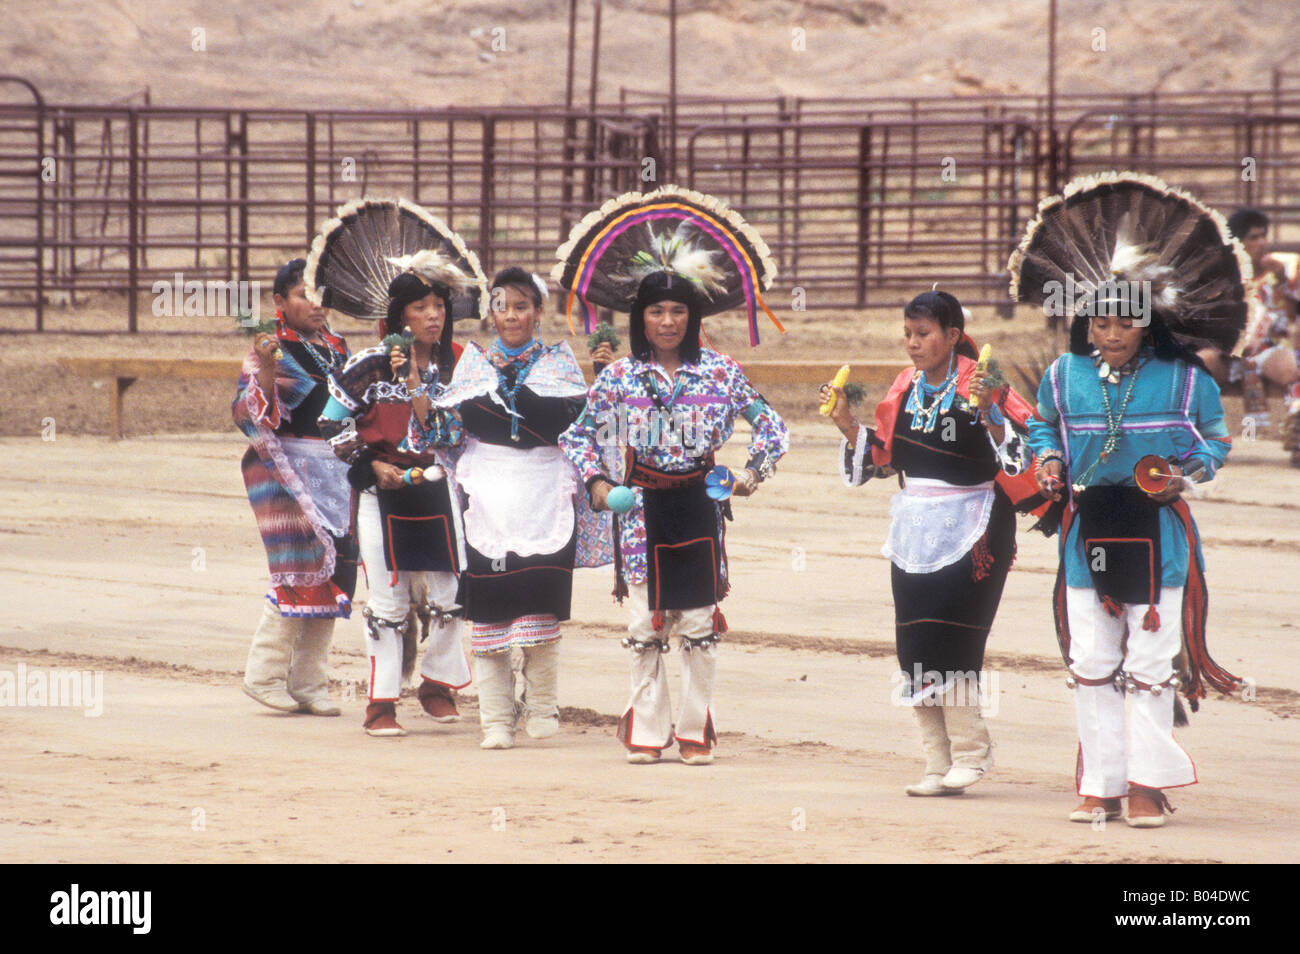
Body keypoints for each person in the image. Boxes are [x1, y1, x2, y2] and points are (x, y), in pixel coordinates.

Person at [1011, 172, 1246, 828]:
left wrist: (1185, 476)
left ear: (1146, 324)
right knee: (1090, 659)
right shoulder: (1065, 375)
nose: (1109, 332)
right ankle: (1101, 784)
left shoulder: (1182, 379)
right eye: (1099, 320)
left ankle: (1145, 783)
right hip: (1087, 531)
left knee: (1147, 659)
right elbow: (1041, 425)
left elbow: (1216, 441)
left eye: (1123, 321)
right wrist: (1051, 460)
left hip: (1158, 535)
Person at [822, 291, 1047, 796]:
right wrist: (845, 423)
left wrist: (990, 413)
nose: (913, 344)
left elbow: (1022, 454)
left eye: (923, 334)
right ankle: (934, 761)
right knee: (916, 642)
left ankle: (972, 752)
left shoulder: (983, 383)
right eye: (908, 334)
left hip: (976, 525)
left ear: (951, 335)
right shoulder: (905, 385)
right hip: (914, 528)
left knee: (956, 639)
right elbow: (879, 462)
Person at [407, 267, 609, 749]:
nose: (511, 315)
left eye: (522, 306)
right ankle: (496, 719)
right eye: (502, 306)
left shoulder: (562, 367)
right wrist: (413, 385)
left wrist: (603, 376)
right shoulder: (472, 369)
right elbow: (442, 434)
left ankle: (541, 706)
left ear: (538, 313)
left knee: (541, 610)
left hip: (546, 495)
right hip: (490, 499)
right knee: (491, 613)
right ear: (490, 313)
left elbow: (593, 428)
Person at [318, 263, 477, 737]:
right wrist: (370, 464)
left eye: (439, 307)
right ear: (398, 316)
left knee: (453, 593)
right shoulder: (368, 364)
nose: (432, 316)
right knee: (388, 598)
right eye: (419, 307)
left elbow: (466, 429)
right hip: (379, 489)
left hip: (439, 486)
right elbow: (330, 423)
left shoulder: (463, 362)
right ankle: (381, 702)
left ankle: (436, 684)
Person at [234, 258, 357, 717]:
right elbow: (254, 414)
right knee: (299, 567)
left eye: (322, 293)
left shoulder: (337, 346)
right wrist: (266, 366)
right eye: (305, 293)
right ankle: (263, 675)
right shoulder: (271, 346)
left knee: (336, 570)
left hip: (338, 470)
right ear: (280, 302)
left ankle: (309, 682)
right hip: (290, 470)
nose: (316, 302)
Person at [1197, 208, 1300, 457]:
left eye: (1263, 235)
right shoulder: (1220, 275)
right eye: (1253, 237)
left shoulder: (1278, 271)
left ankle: (1297, 431)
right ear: (1238, 242)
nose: (1261, 242)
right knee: (1198, 364)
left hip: (1266, 348)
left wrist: (1284, 279)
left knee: (1292, 367)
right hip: (1227, 351)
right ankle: (1198, 437)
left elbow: (1292, 315)